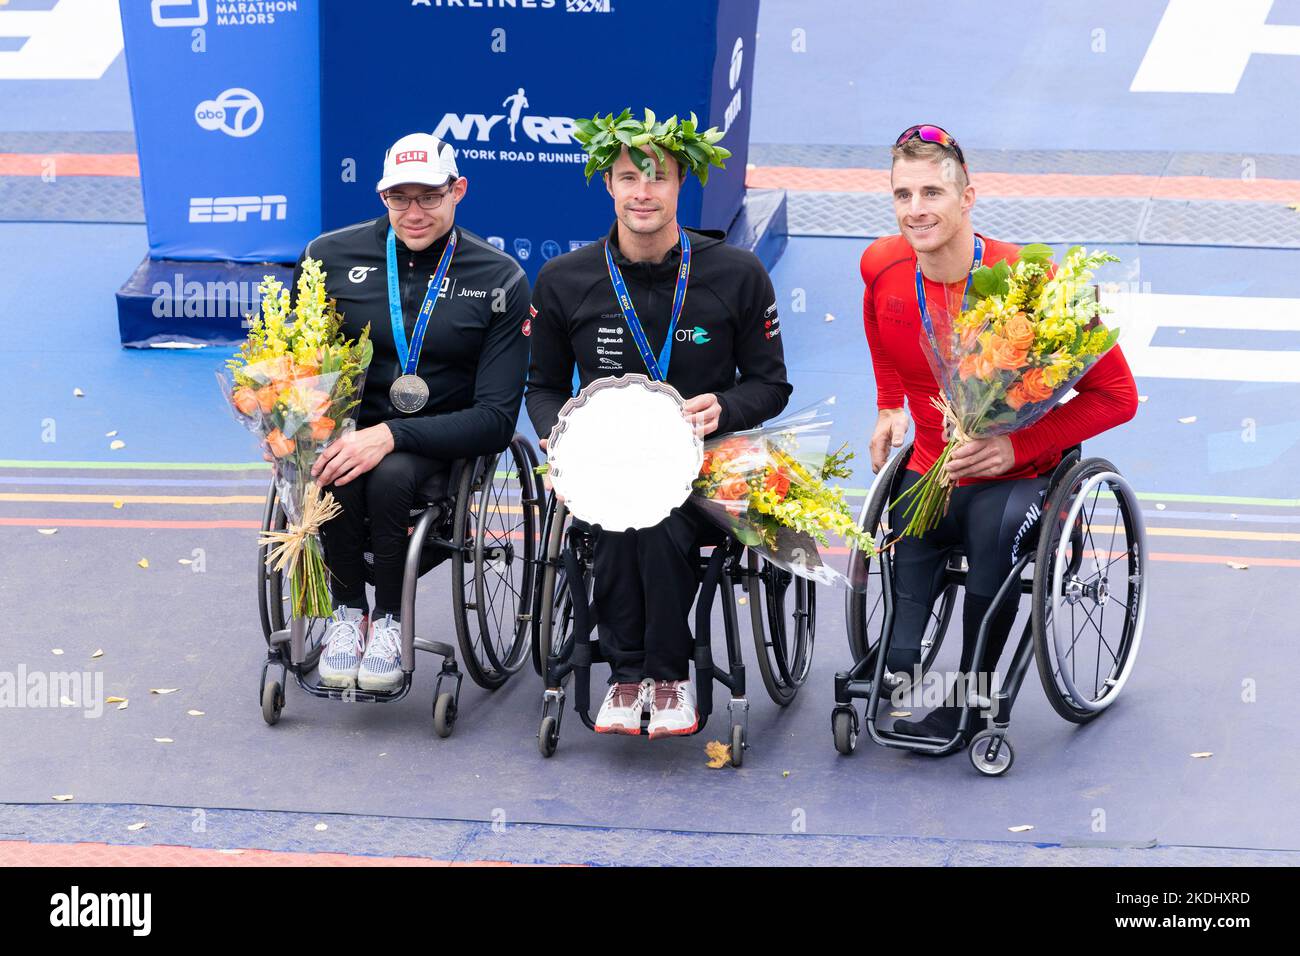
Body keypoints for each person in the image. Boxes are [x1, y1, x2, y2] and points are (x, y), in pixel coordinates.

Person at [860, 124, 1139, 748]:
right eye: (903, 195)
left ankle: (971, 695)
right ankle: (903, 665)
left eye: (933, 192)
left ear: (969, 198)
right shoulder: (881, 266)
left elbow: (1119, 398)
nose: (917, 210)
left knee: (990, 536)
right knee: (900, 637)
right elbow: (880, 331)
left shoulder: (1040, 288)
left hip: (1018, 477)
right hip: (931, 469)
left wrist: (1017, 446)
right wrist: (887, 406)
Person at [526, 111, 791, 738]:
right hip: (607, 464)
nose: (642, 193)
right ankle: (627, 676)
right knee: (621, 516)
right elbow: (541, 388)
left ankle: (664, 678)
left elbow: (771, 384)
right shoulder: (566, 280)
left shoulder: (737, 274)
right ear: (608, 186)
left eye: (657, 179)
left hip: (707, 465)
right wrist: (556, 442)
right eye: (627, 178)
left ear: (681, 186)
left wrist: (726, 407)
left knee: (663, 519)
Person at [291, 132, 531, 692]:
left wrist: (391, 435)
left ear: (458, 190)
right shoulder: (328, 257)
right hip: (347, 439)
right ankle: (348, 617)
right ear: (382, 196)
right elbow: (294, 371)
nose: (414, 212)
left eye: (429, 196)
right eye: (400, 198)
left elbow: (498, 419)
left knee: (391, 470)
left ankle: (392, 622)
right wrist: (299, 428)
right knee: (335, 466)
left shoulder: (499, 278)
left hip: (440, 443)